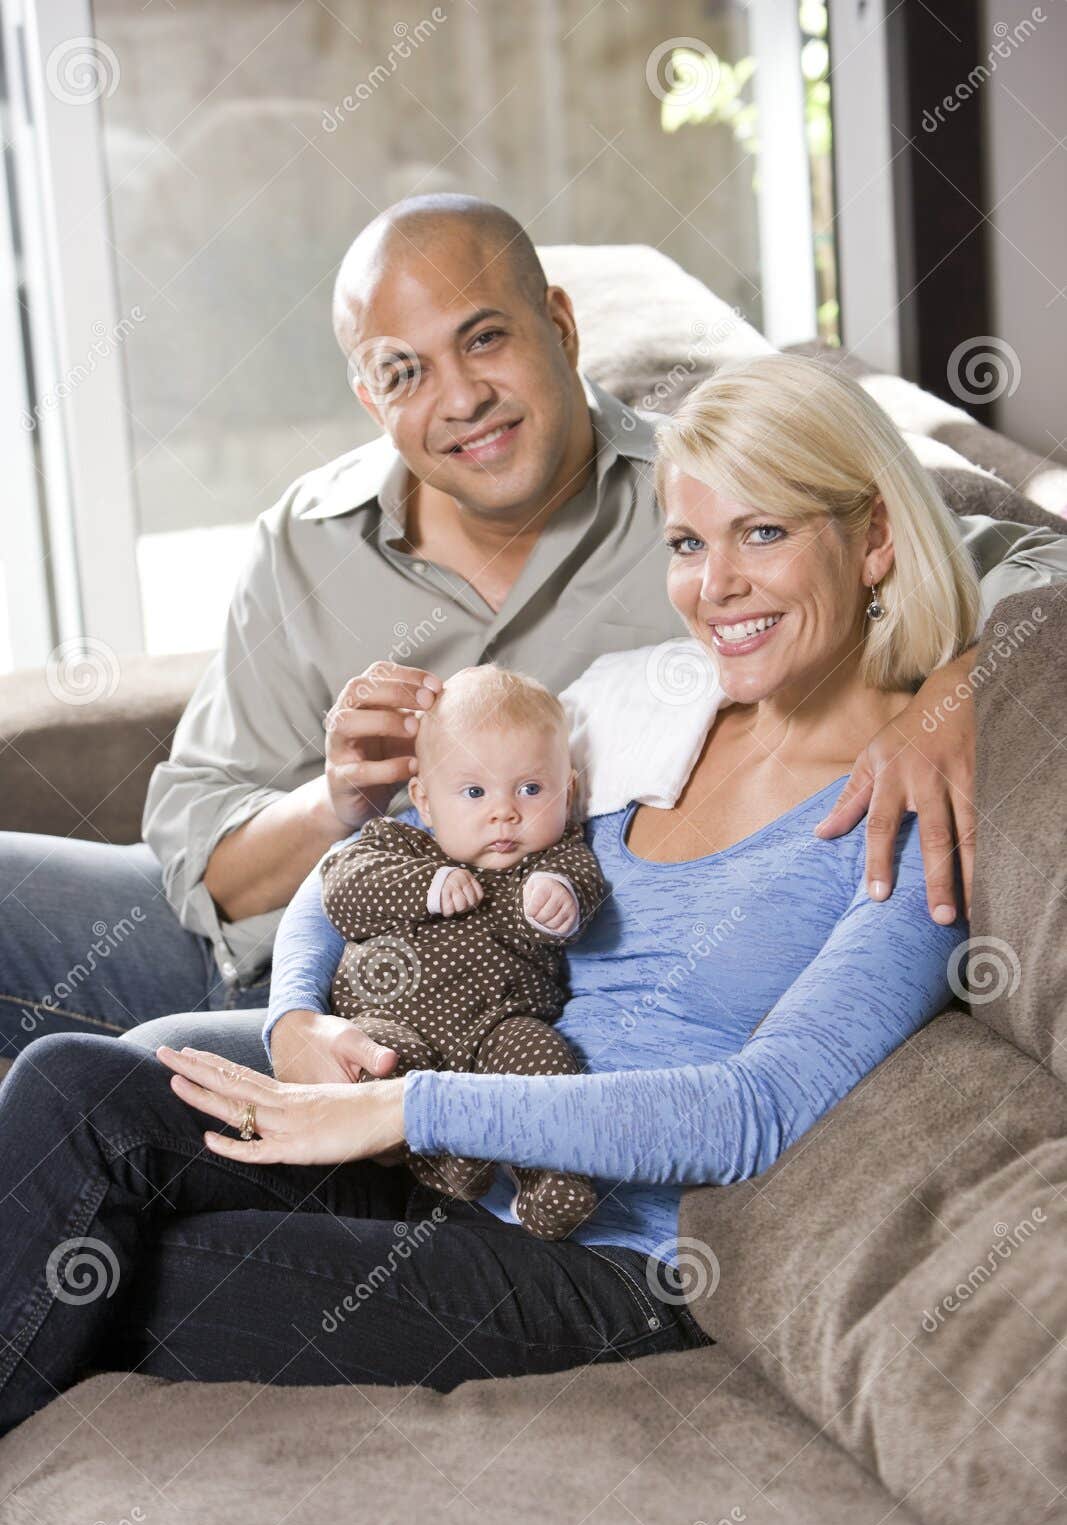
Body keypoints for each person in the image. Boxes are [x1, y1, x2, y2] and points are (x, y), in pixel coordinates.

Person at [0, 355, 989, 1430]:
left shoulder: (907, 814)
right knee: (71, 1089)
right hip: (457, 1167)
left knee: (136, 1266)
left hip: (609, 1268)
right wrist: (294, 1019)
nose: (715, 588)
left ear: (873, 539)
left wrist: (397, 1104)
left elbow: (750, 1112)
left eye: (764, 533)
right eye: (687, 543)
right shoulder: (642, 710)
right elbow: (355, 866)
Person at [2, 196, 1066, 1085]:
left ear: (556, 322)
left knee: (103, 1093)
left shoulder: (703, 505)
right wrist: (337, 802)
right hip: (249, 944)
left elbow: (1020, 561)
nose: (460, 399)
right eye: (404, 370)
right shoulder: (306, 540)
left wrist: (951, 702)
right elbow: (195, 849)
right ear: (369, 395)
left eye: (483, 337)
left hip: (451, 991)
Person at [321, 664, 606, 1238]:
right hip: (389, 1021)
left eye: (531, 789)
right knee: (377, 1066)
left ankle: (554, 1179)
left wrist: (560, 900)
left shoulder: (553, 862)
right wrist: (423, 887)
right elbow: (343, 894)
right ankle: (445, 1160)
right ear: (424, 801)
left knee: (546, 1060)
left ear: (568, 789)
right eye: (474, 792)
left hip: (498, 1025)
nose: (504, 812)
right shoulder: (400, 844)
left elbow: (583, 892)